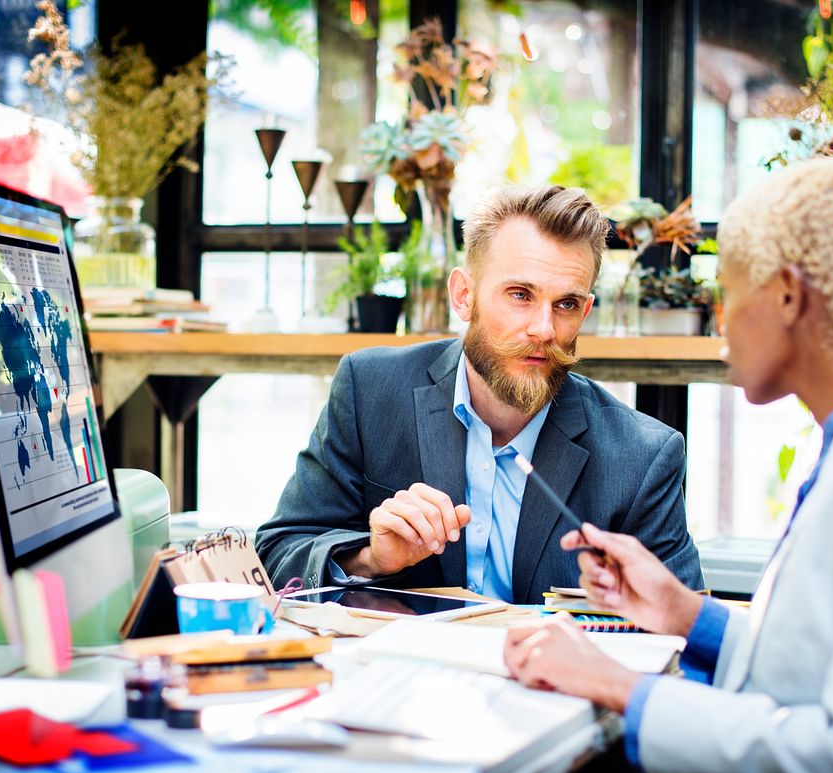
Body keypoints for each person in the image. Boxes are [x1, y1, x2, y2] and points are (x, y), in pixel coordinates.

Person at [504, 159, 833, 773]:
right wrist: (687, 612)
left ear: (786, 296)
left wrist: (616, 683)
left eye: (728, 291)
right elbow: (820, 664)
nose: (717, 319)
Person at [255, 185, 703, 602]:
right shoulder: (368, 391)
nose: (544, 329)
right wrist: (369, 560)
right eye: (520, 295)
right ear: (464, 296)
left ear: (585, 311)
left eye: (565, 304)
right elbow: (275, 555)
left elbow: (684, 629)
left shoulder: (643, 456)